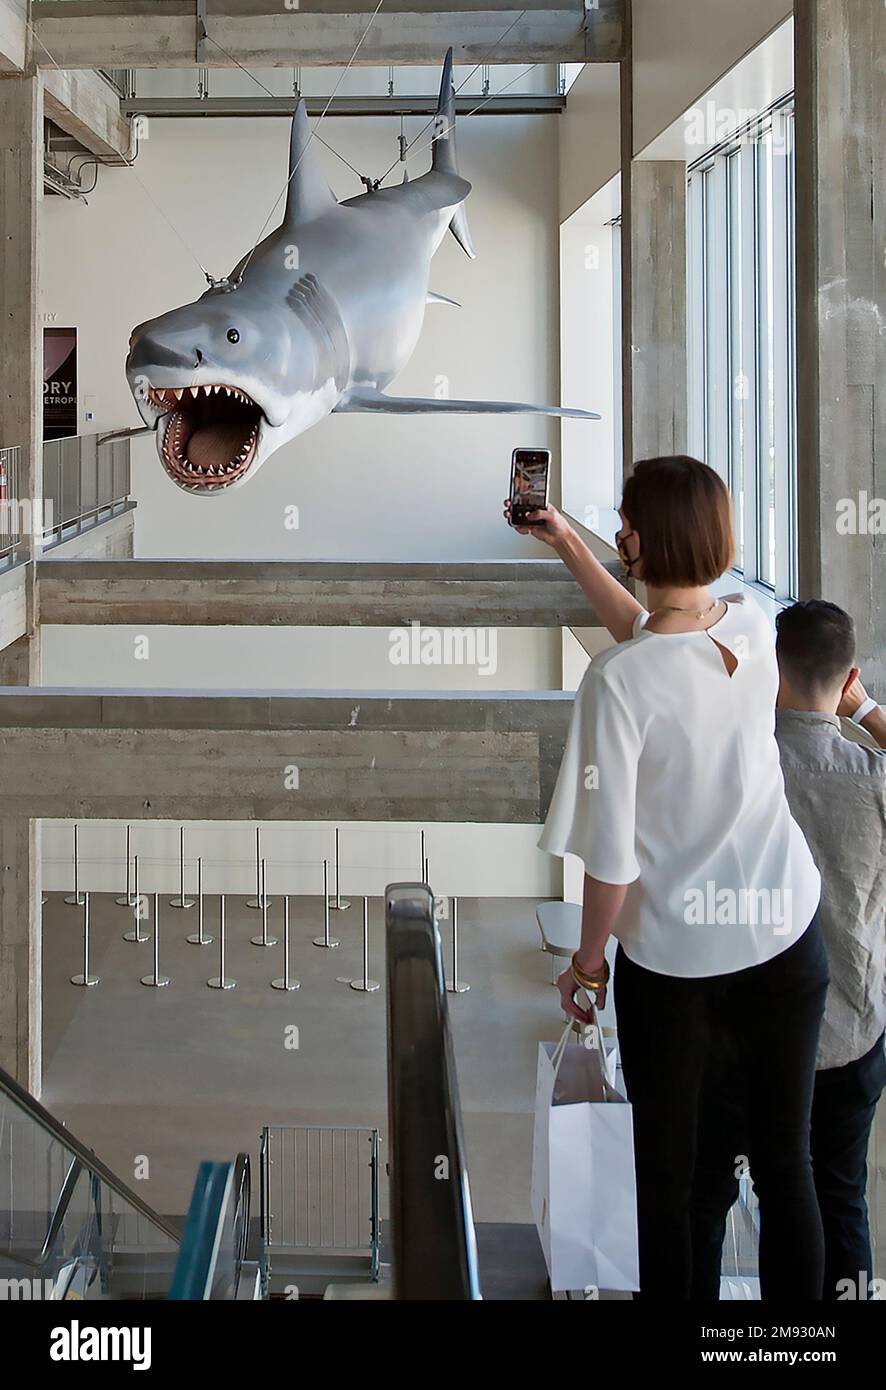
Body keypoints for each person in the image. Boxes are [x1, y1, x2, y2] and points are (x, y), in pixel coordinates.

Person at [507, 456, 826, 1300]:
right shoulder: (752, 624)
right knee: (787, 1166)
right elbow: (657, 643)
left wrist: (584, 965)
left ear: (640, 540)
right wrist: (570, 546)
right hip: (787, 937)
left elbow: (610, 861)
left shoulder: (617, 685)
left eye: (622, 526)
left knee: (675, 1184)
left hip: (680, 969)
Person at [690, 601, 885, 1300]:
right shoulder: (873, 780)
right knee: (838, 1199)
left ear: (773, 669)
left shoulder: (739, 763)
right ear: (851, 674)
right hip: (845, 1038)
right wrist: (865, 711)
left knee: (705, 1197)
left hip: (739, 1033)